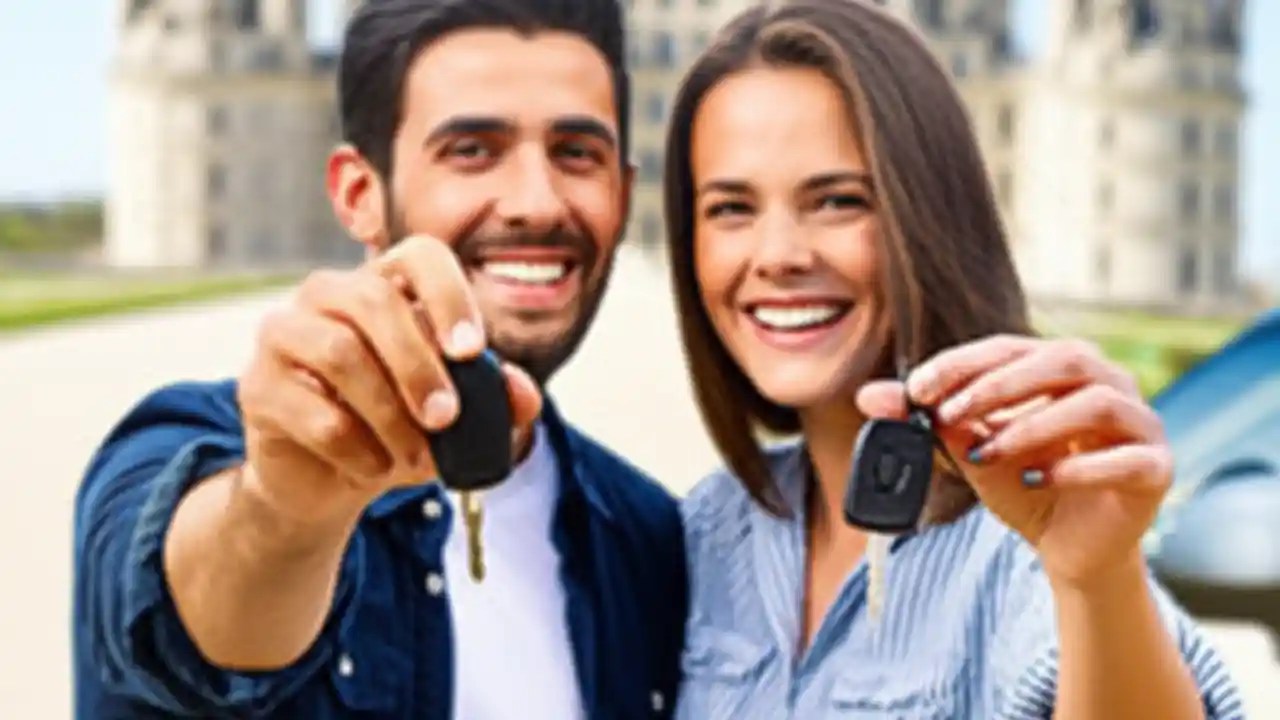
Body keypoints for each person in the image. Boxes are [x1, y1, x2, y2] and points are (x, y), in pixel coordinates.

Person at [72, 1, 686, 717]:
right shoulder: (176, 450)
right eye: (473, 150)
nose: (535, 202)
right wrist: (285, 512)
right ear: (360, 195)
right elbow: (200, 610)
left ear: (622, 193)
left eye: (577, 154)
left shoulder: (648, 535)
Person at [663, 1, 1245, 718]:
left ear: (929, 213)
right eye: (729, 208)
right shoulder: (703, 532)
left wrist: (1098, 581)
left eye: (839, 201)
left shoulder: (1026, 545)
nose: (779, 255)